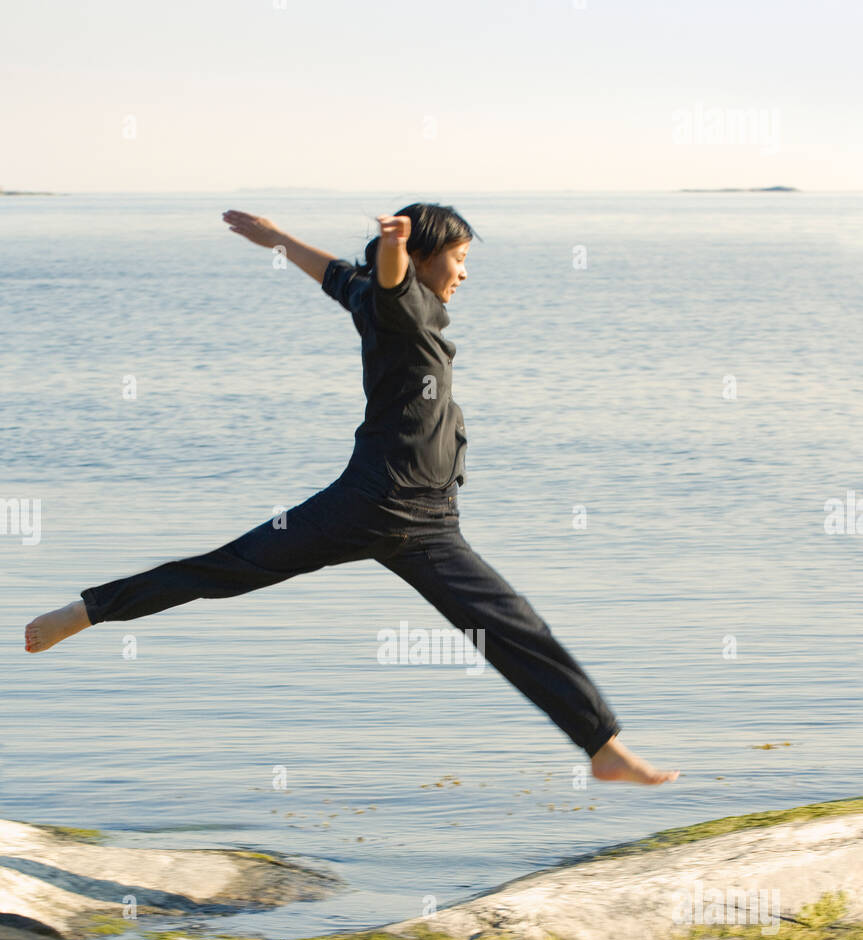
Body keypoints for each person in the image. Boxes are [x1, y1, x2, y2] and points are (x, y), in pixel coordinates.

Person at [25, 202, 678, 785]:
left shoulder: (368, 295)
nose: (464, 272)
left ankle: (601, 747)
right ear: (423, 258)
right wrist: (393, 243)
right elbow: (391, 278)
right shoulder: (401, 302)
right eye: (458, 258)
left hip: (423, 522)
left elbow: (335, 272)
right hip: (381, 503)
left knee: (509, 625)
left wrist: (277, 237)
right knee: (230, 570)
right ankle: (86, 611)